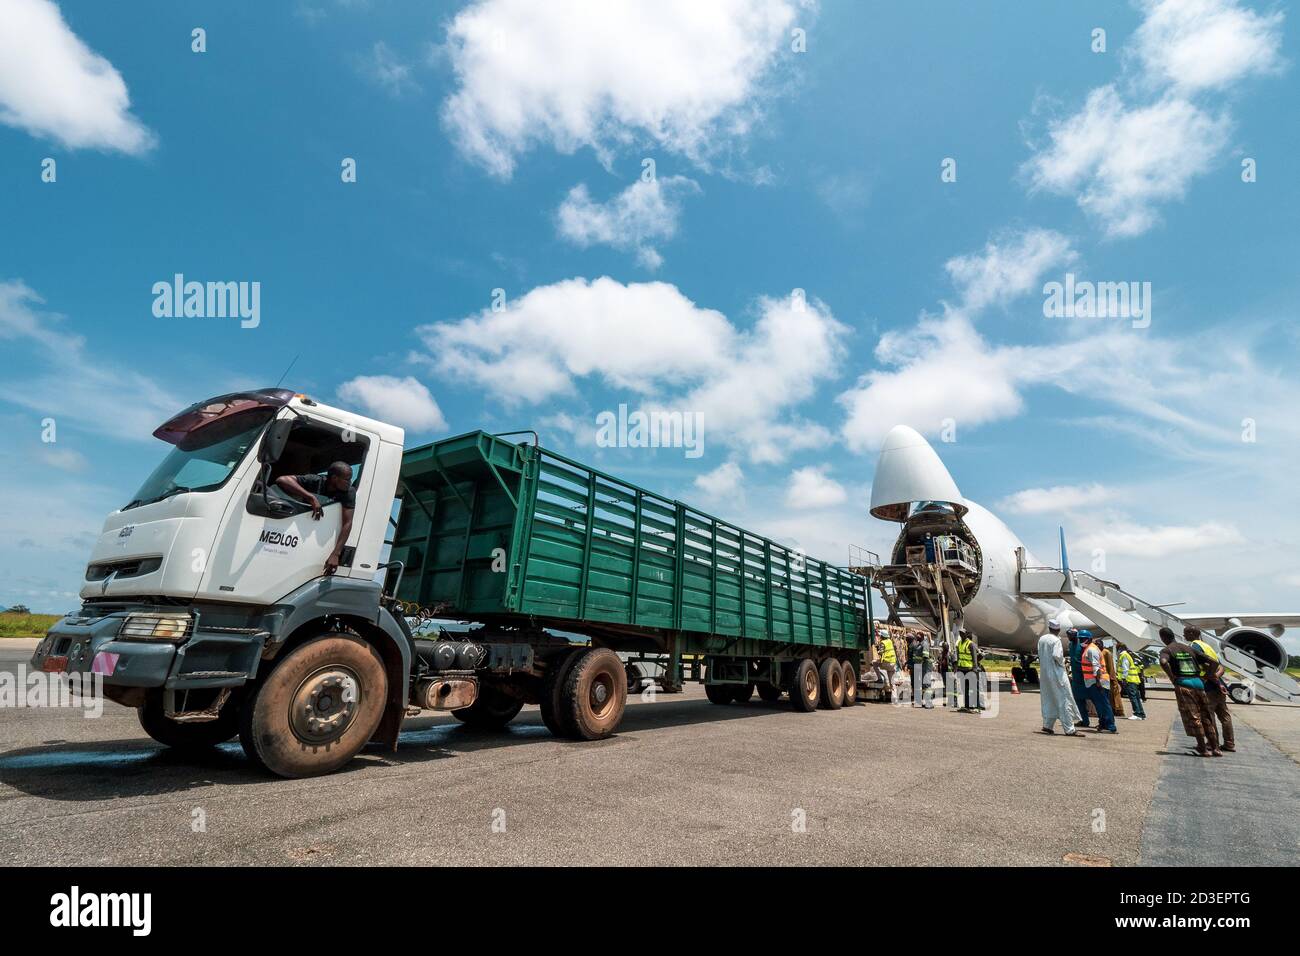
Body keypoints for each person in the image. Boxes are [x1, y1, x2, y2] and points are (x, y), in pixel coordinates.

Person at [275, 461, 356, 575]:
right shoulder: (316, 480)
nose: (350, 482)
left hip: (322, 541)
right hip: (301, 531)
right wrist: (311, 497)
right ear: (334, 478)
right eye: (347, 479)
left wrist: (336, 554)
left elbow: (348, 522)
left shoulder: (348, 492)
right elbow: (282, 480)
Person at [1158, 626, 1221, 757]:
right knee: (1206, 716)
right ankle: (1215, 748)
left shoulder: (1167, 649)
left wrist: (1172, 678)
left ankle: (1203, 748)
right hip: (1198, 684)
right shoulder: (1189, 648)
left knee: (1194, 716)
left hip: (1184, 684)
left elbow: (1163, 662)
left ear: (1163, 638)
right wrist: (1207, 676)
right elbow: (1214, 662)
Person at [1187, 626, 1234, 752]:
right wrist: (1218, 680)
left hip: (1208, 687)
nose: (1184, 636)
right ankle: (1229, 743)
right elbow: (1221, 668)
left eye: (1185, 633)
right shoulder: (1208, 647)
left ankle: (1213, 744)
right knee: (1225, 716)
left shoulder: (1194, 646)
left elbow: (1206, 665)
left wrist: (1209, 678)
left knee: (1208, 716)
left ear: (1192, 634)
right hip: (1219, 686)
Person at [1037, 619, 1080, 735]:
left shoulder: (1042, 639)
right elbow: (1057, 655)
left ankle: (1047, 725)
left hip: (1045, 674)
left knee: (1048, 699)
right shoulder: (1056, 640)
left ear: (1049, 628)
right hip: (1056, 674)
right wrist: (1063, 662)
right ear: (1058, 630)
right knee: (1063, 700)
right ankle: (1069, 729)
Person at [1079, 631, 1117, 733]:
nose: (1081, 640)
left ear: (1090, 639)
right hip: (1093, 682)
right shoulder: (1089, 649)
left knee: (1103, 704)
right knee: (1099, 705)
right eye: (1080, 638)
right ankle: (1103, 723)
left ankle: (1110, 726)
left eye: (1083, 638)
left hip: (1098, 682)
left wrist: (1098, 682)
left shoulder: (1091, 650)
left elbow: (1096, 667)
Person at [1067, 628, 1090, 729]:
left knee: (1093, 699)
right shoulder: (1070, 645)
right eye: (1068, 635)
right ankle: (1084, 720)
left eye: (1071, 635)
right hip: (1076, 677)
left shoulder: (1083, 646)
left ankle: (1104, 721)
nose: (1069, 637)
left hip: (1085, 676)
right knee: (1078, 700)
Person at [1117, 645, 1146, 720]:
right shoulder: (1127, 655)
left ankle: (1137, 714)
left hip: (1129, 679)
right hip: (1133, 679)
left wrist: (1123, 679)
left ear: (1120, 649)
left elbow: (1125, 668)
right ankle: (1141, 714)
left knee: (1133, 697)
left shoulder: (1124, 655)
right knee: (1136, 697)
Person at [955, 630, 978, 711]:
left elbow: (974, 657)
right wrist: (957, 668)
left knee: (971, 688)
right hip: (961, 669)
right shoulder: (959, 643)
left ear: (966, 634)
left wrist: (975, 668)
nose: (961, 634)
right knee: (964, 688)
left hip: (970, 669)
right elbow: (958, 657)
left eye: (962, 633)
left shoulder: (971, 644)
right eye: (960, 633)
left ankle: (972, 706)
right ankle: (966, 706)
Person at [1102, 640, 1126, 718]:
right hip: (1106, 677)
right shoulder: (1102, 652)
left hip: (1109, 677)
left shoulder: (1106, 653)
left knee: (1114, 695)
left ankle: (1118, 710)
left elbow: (1110, 666)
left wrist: (1112, 677)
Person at [909, 635, 933, 709]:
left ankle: (929, 703)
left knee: (926, 683)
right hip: (921, 666)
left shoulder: (924, 644)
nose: (916, 637)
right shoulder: (919, 644)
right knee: (922, 685)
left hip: (925, 666)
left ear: (921, 637)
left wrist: (920, 664)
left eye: (918, 636)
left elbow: (925, 656)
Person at [875, 634, 897, 701]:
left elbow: (881, 652)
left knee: (874, 663)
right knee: (892, 682)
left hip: (886, 663)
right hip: (893, 663)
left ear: (882, 637)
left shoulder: (882, 643)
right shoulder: (890, 641)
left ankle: (880, 679)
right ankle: (895, 698)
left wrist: (877, 649)